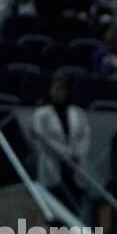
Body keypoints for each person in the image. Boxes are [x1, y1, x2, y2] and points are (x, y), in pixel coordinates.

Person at [30, 74, 91, 209]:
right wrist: (63, 153)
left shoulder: (77, 112)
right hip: (51, 163)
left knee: (74, 206)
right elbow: (40, 137)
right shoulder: (41, 114)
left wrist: (78, 154)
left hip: (74, 165)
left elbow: (85, 135)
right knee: (53, 205)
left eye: (62, 89)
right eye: (55, 88)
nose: (58, 92)